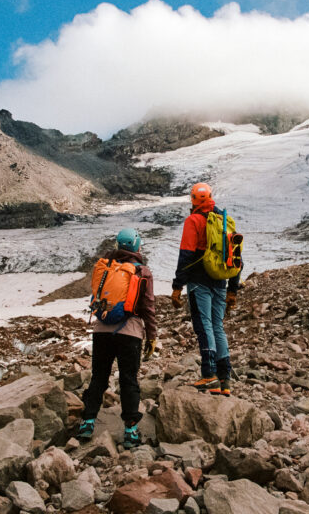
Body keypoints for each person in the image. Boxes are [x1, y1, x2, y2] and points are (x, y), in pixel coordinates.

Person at [78, 228, 157, 448]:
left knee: (99, 377)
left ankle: (87, 422)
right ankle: (131, 430)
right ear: (137, 246)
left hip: (101, 331)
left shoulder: (105, 267)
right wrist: (152, 336)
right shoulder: (142, 271)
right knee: (128, 379)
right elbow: (148, 307)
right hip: (130, 332)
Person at [171, 182, 240, 396]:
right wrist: (232, 290)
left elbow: (186, 255)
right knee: (217, 327)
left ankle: (208, 374)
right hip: (220, 281)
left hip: (199, 282)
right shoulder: (224, 221)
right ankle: (224, 380)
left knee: (205, 326)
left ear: (193, 199)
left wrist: (177, 286)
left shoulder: (194, 221)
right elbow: (236, 258)